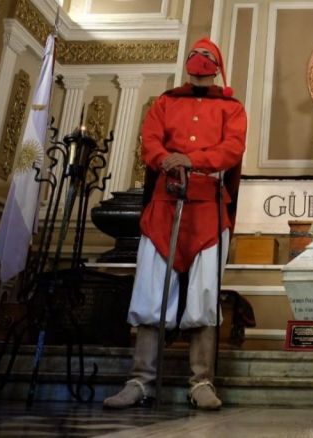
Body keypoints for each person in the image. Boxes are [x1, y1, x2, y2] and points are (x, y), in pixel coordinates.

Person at [103, 37, 247, 410]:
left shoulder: (232, 108)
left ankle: (201, 382)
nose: (200, 61)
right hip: (165, 206)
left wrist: (191, 158)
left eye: (207, 57)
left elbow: (232, 149)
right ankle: (140, 380)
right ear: (187, 63)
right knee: (152, 291)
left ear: (217, 66)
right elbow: (149, 141)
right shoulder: (164, 102)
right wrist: (167, 158)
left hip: (208, 211)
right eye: (195, 56)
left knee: (203, 296)